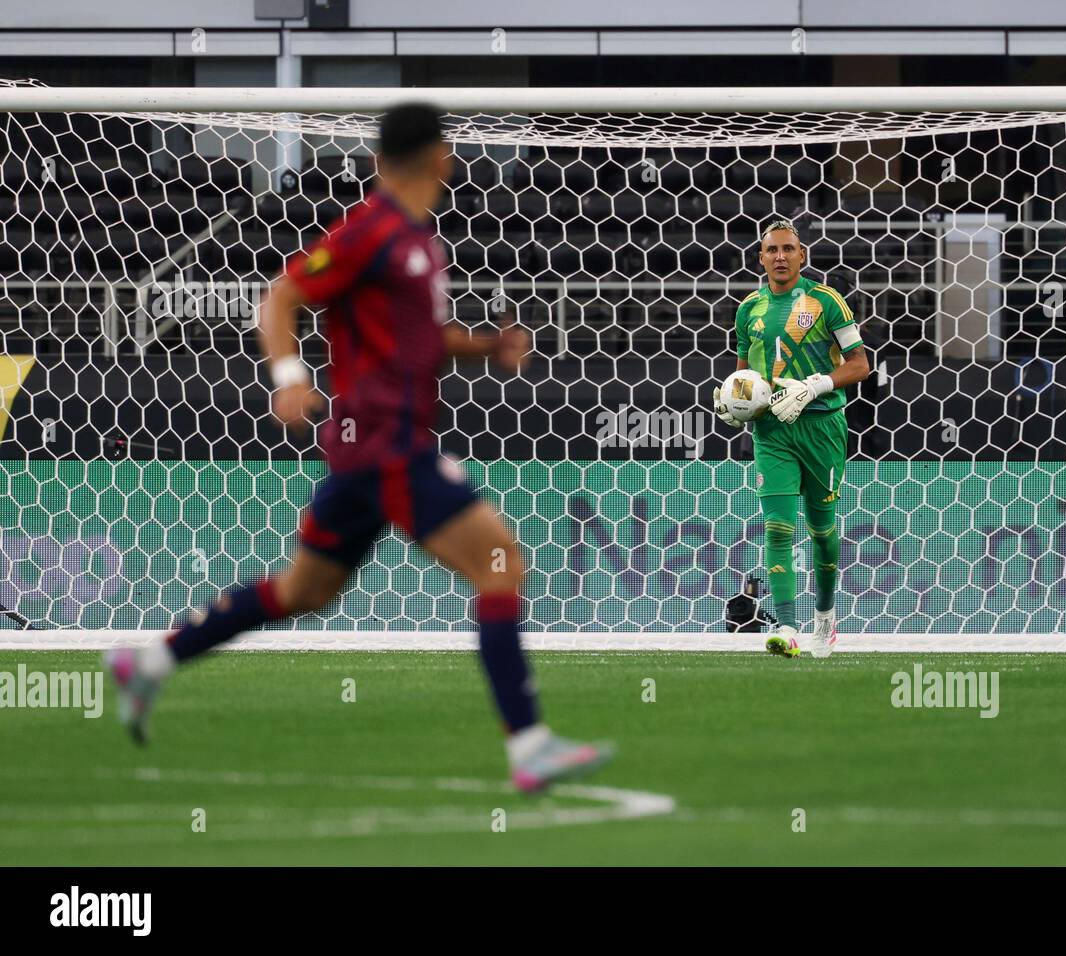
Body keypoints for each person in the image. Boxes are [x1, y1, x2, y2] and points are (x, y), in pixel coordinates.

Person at [104, 102, 610, 792]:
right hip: (386, 442)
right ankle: (529, 746)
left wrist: (487, 346)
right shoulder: (371, 231)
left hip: (367, 449)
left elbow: (424, 344)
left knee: (302, 590)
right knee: (502, 564)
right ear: (442, 157)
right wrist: (289, 379)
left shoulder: (415, 243)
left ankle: (152, 663)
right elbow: (281, 296)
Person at [714, 218, 871, 658]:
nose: (780, 256)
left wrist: (816, 385)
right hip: (773, 431)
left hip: (822, 426)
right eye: (772, 250)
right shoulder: (749, 309)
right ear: (761, 258)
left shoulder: (826, 301)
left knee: (822, 532)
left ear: (802, 256)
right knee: (778, 528)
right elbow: (744, 374)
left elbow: (860, 365)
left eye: (788, 249)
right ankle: (787, 627)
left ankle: (825, 618)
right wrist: (734, 401)